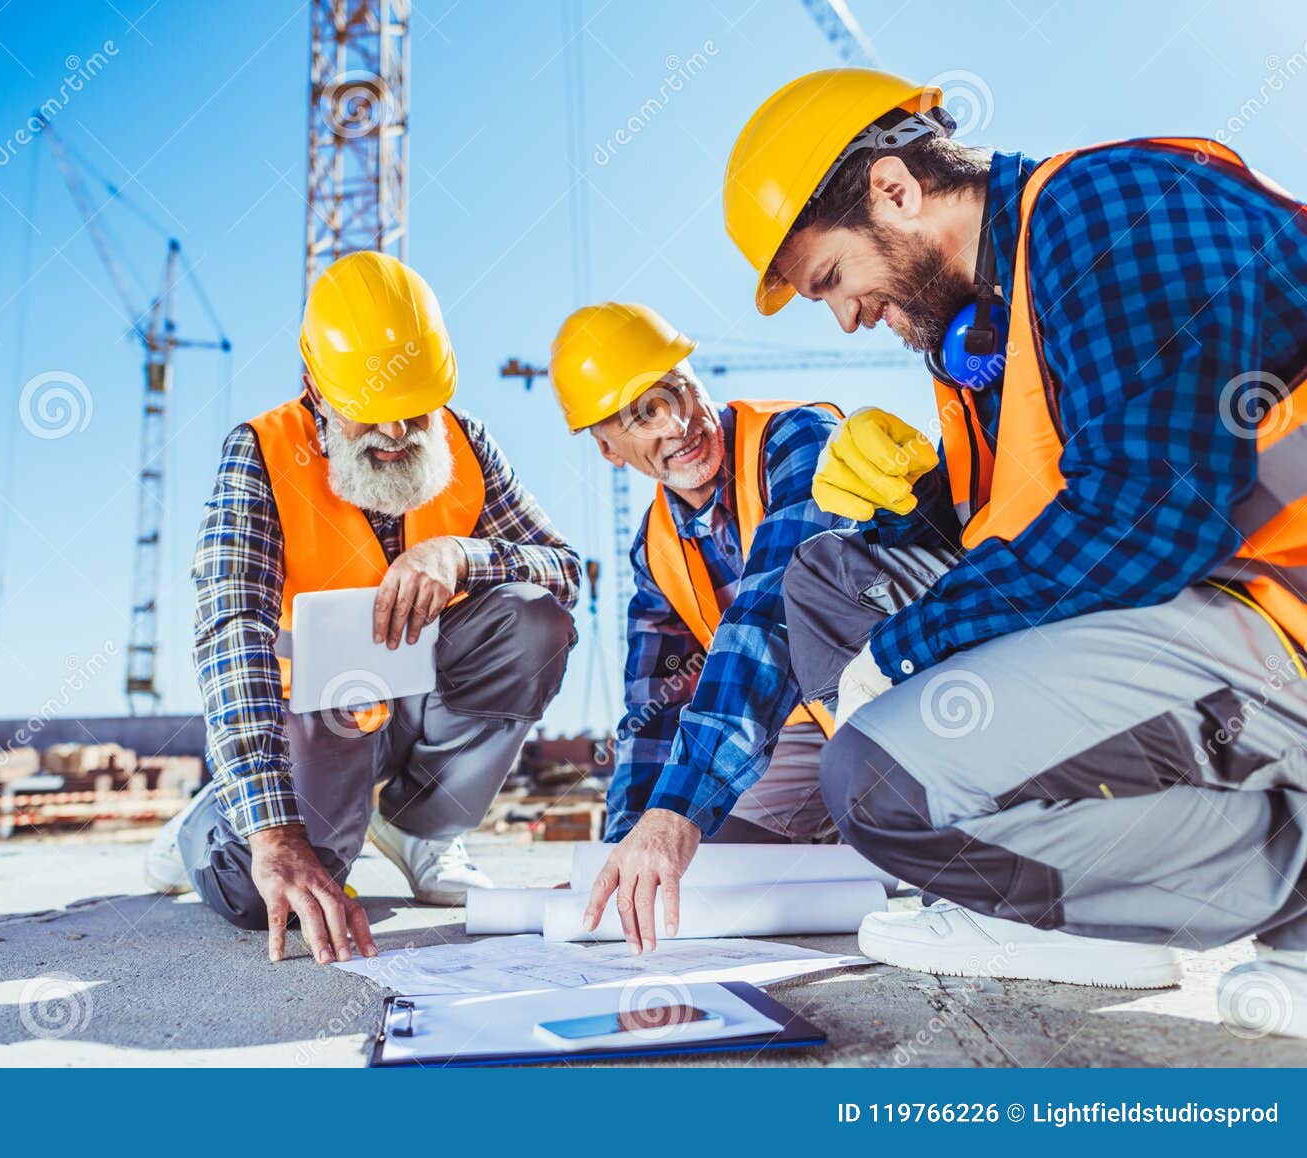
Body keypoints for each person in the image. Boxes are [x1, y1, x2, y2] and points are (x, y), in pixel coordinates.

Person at [722, 67, 1307, 1036]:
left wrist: (910, 651)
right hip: (1192, 604)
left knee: (878, 787)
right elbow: (1033, 530)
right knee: (832, 579)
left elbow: (1145, 513)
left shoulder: (1109, 209)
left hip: (1276, 616)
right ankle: (1077, 919)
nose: (844, 316)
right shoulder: (992, 323)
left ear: (894, 190)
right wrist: (909, 516)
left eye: (830, 278)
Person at [144, 251, 580, 966]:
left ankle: (424, 828)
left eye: (413, 412)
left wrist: (461, 557)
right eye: (369, 415)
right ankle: (213, 821)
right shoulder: (259, 455)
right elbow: (232, 635)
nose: (398, 435)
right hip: (317, 716)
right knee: (270, 899)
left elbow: (564, 572)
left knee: (535, 620)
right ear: (316, 388)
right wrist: (274, 834)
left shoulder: (468, 445)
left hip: (421, 698)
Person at [544, 301, 848, 954]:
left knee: (904, 841)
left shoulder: (798, 439)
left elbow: (770, 614)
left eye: (679, 389)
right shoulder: (655, 550)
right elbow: (653, 714)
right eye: (641, 415)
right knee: (705, 870)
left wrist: (678, 811)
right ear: (607, 447)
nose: (680, 423)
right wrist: (628, 840)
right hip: (790, 740)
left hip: (881, 703)